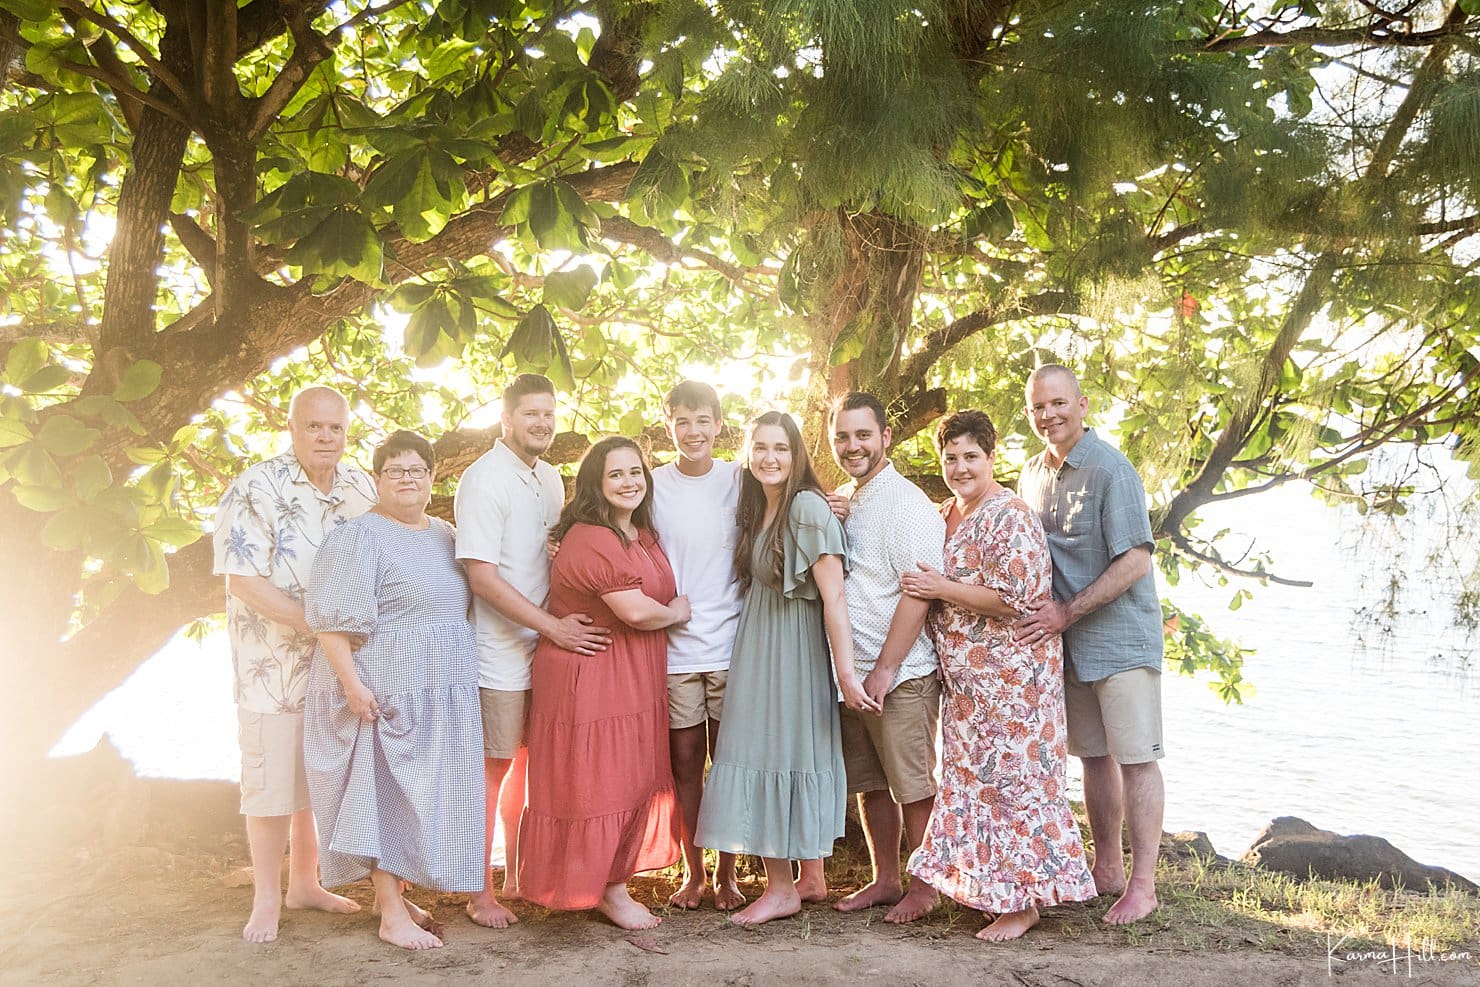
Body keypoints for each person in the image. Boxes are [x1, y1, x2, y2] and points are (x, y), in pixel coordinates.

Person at [900, 410, 1097, 941]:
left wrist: (941, 588)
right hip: (967, 685)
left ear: (991, 458)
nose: (960, 467)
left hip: (1013, 682)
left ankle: (1023, 905)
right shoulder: (944, 513)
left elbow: (1017, 601)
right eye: (951, 458)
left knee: (1014, 786)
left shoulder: (1009, 514)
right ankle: (989, 890)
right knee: (974, 784)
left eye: (971, 457)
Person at [695, 411, 880, 927]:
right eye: (760, 448)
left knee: (768, 749)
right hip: (763, 643)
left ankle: (781, 889)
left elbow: (834, 594)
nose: (769, 458)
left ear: (796, 454)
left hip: (790, 654)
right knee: (784, 748)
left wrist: (846, 674)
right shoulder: (763, 505)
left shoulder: (804, 507)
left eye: (780, 448)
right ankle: (812, 876)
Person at [302, 430, 485, 950]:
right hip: (381, 689)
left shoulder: (447, 535)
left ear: (432, 478)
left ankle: (398, 898)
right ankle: (390, 915)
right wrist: (353, 687)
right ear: (377, 479)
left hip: (439, 691)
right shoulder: (357, 536)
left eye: (417, 470)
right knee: (381, 792)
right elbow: (331, 624)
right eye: (394, 470)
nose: (407, 478)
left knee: (417, 795)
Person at [212, 385, 375, 943]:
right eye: (314, 426)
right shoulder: (257, 486)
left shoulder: (359, 485)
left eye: (335, 427)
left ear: (346, 431)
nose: (326, 436)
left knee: (315, 777)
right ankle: (266, 899)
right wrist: (318, 623)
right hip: (272, 669)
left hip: (339, 670)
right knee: (271, 784)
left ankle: (306, 884)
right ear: (293, 427)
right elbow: (241, 579)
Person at [454, 374, 612, 928]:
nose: (541, 423)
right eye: (530, 414)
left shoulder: (547, 476)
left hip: (544, 648)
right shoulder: (482, 480)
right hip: (497, 651)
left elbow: (545, 550)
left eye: (548, 413)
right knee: (492, 769)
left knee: (529, 765)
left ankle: (519, 874)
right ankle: (480, 891)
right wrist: (553, 626)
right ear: (506, 419)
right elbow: (481, 577)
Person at [1015, 364, 1165, 925]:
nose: (1047, 415)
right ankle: (1107, 870)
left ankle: (1143, 886)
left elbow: (1136, 560)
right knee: (1093, 757)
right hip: (1067, 644)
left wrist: (1067, 611)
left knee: (1137, 758)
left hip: (1120, 640)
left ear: (1082, 404)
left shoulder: (1111, 470)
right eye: (1036, 407)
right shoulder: (1032, 473)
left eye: (1057, 403)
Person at [518, 437, 688, 930]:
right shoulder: (590, 536)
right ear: (595, 482)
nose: (629, 482)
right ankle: (606, 891)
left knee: (629, 777)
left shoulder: (639, 532)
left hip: (631, 674)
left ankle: (610, 881)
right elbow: (635, 610)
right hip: (590, 674)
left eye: (635, 472)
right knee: (600, 782)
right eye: (616, 474)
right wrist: (676, 613)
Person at [827, 392, 946, 924]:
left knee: (913, 785)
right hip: (854, 674)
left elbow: (918, 592)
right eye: (842, 437)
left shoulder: (906, 503)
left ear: (886, 437)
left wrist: (885, 669)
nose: (852, 446)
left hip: (900, 673)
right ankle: (886, 879)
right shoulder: (855, 498)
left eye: (862, 435)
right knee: (872, 784)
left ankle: (926, 887)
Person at [650, 381, 747, 911]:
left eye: (702, 419)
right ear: (669, 426)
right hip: (675, 651)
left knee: (727, 762)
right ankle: (694, 873)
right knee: (685, 763)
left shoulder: (740, 477)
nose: (693, 431)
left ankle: (729, 875)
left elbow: (792, 497)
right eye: (682, 421)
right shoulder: (653, 483)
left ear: (718, 424)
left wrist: (831, 504)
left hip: (731, 645)